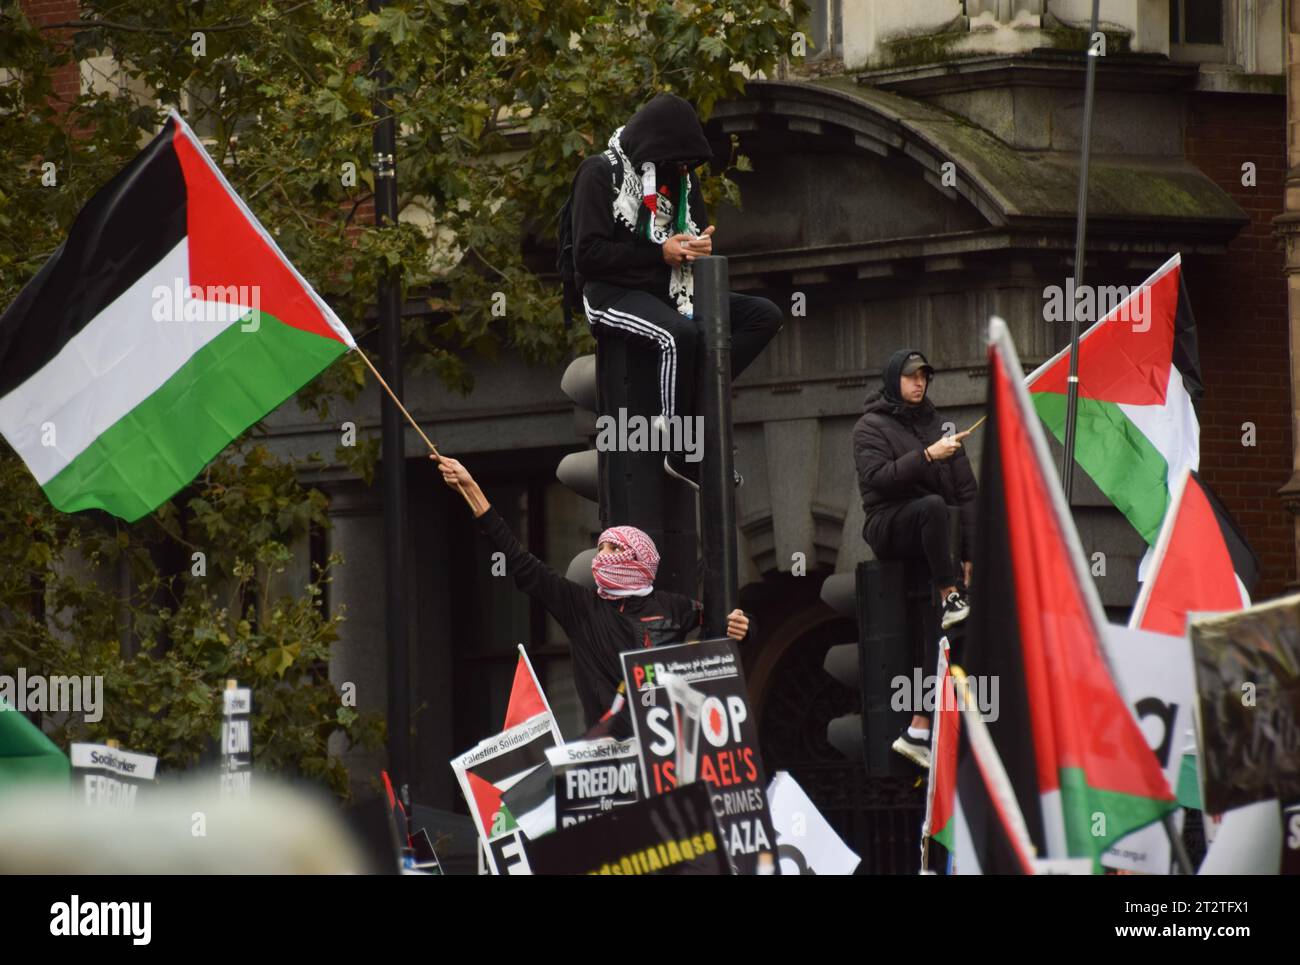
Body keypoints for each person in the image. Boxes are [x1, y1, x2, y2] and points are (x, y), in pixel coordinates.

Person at [435, 455, 749, 738]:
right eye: (600, 548)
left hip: (669, 757)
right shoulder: (581, 609)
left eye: (615, 549)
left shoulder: (674, 608)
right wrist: (472, 491)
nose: (603, 556)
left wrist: (738, 626)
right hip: (611, 762)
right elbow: (520, 562)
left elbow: (726, 637)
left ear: (641, 559)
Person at [571, 92, 783, 489]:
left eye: (689, 164)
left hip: (672, 288)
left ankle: (695, 396)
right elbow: (588, 255)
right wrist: (660, 253)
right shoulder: (599, 173)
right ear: (653, 152)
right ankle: (682, 450)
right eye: (677, 162)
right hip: (610, 293)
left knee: (764, 315)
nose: (684, 170)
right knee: (678, 335)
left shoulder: (682, 178)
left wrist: (697, 248)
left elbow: (691, 236)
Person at [853, 348, 977, 769]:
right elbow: (877, 481)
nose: (919, 382)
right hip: (890, 524)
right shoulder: (870, 426)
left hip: (937, 538)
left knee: (939, 630)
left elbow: (967, 495)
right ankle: (949, 592)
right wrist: (926, 456)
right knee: (932, 507)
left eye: (925, 375)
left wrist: (970, 556)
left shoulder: (941, 426)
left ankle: (919, 726)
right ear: (894, 381)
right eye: (910, 376)